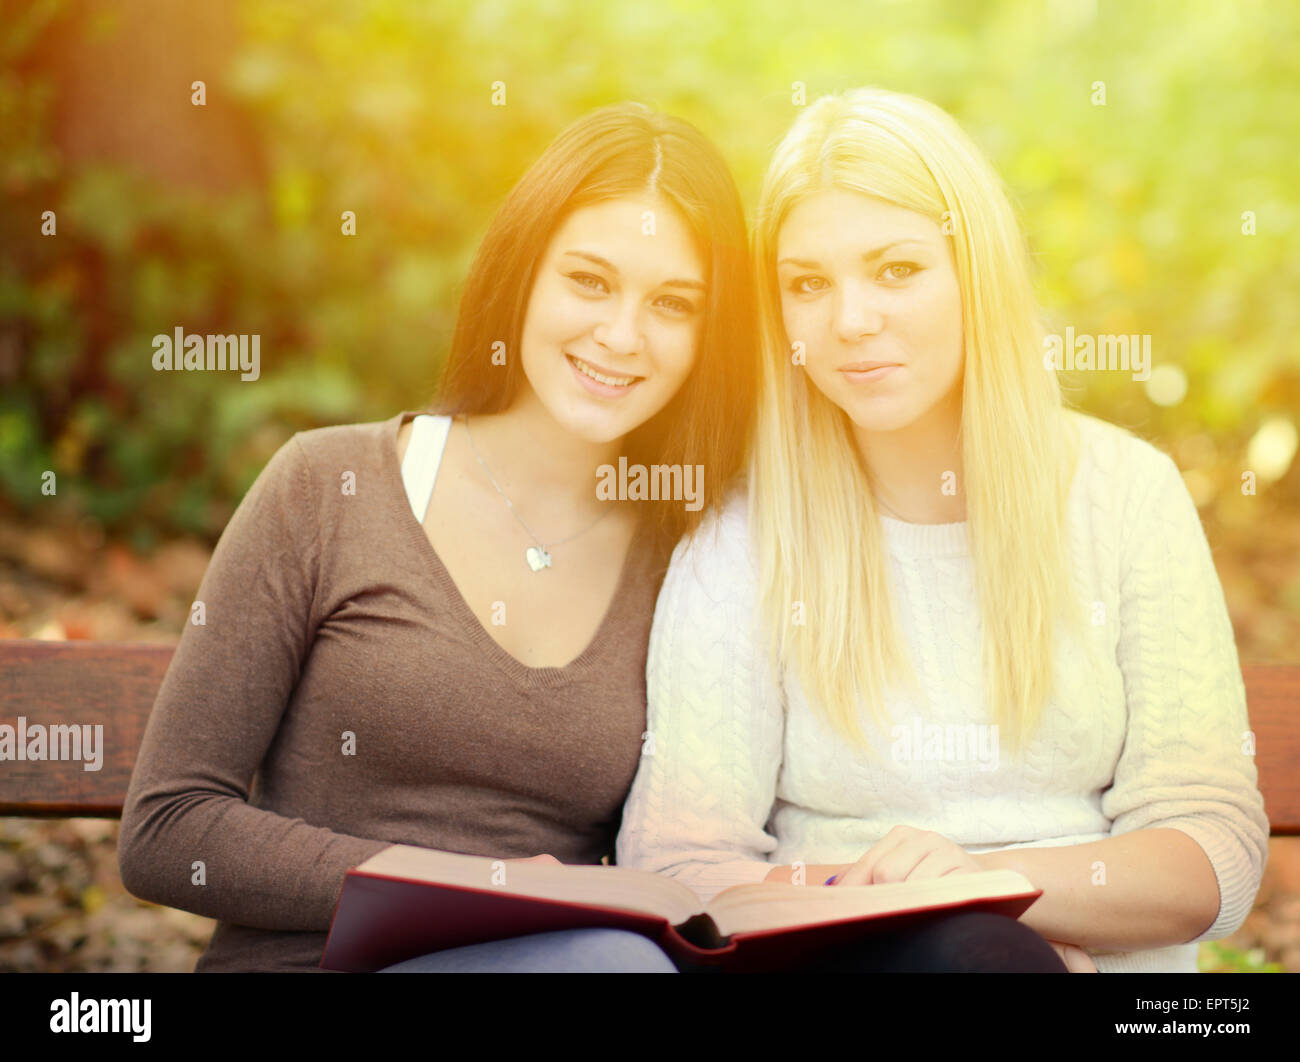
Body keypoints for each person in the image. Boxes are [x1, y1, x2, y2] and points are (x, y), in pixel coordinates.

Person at [616, 87, 1269, 973]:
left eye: (895, 270)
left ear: (977, 273)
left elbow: (1212, 857)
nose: (850, 321)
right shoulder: (745, 537)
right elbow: (682, 868)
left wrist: (990, 887)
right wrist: (933, 915)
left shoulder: (1123, 496)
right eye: (808, 284)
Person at [118, 101, 758, 973]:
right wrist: (470, 885)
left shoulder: (689, 557)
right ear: (523, 273)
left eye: (673, 303)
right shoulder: (326, 487)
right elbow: (168, 827)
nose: (621, 335)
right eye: (590, 281)